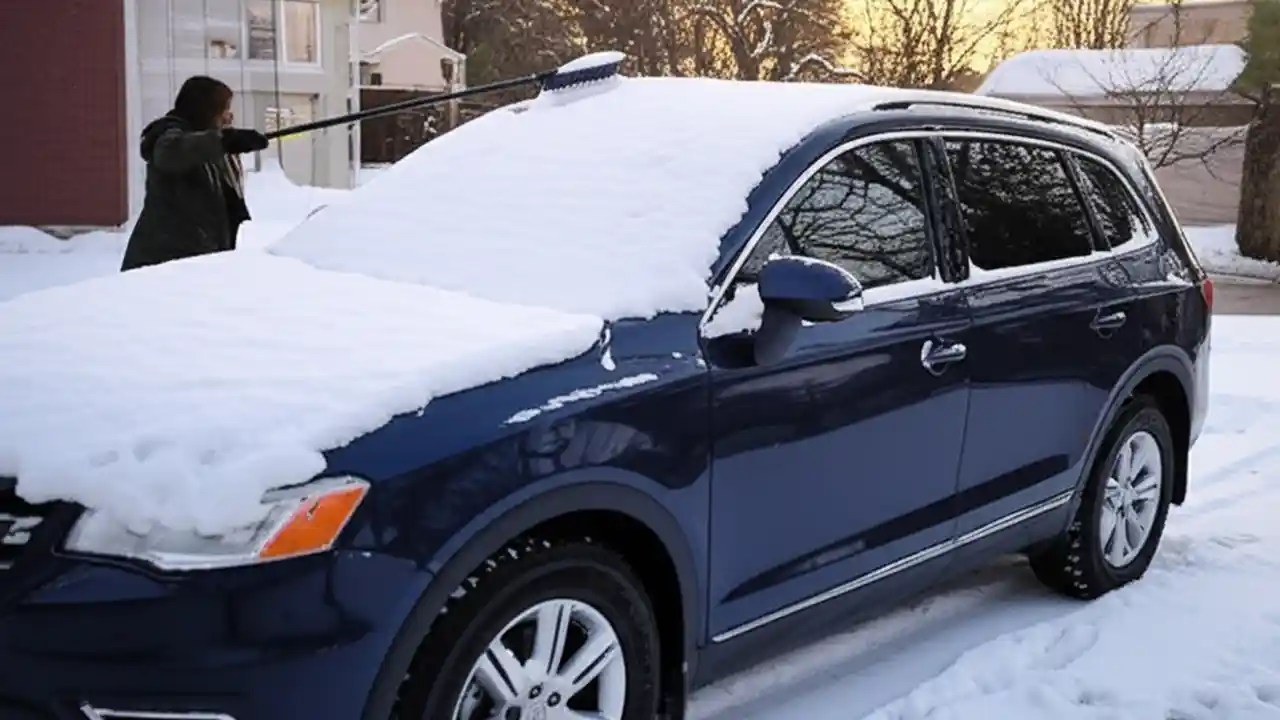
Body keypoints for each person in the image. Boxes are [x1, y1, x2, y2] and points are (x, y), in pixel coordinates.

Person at [120, 76, 269, 271]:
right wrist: (224, 141)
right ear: (205, 110)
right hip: (161, 264)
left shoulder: (206, 146)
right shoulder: (168, 135)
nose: (229, 116)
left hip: (195, 260)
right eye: (224, 109)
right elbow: (172, 152)